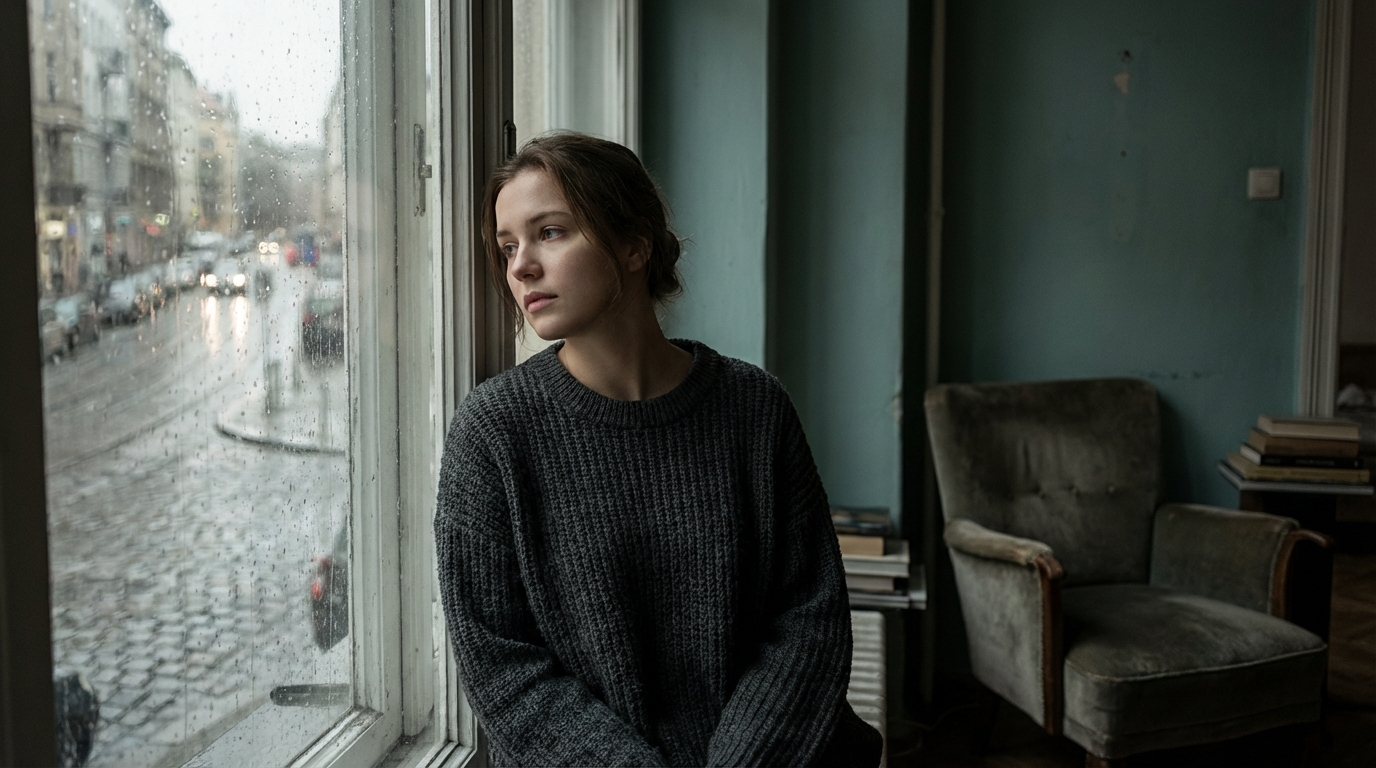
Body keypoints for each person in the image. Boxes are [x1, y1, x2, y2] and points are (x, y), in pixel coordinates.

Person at [435, 132, 883, 767]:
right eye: (508, 246)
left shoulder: (754, 407)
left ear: (634, 243)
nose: (520, 266)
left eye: (551, 233)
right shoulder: (492, 433)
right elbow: (500, 663)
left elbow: (808, 619)